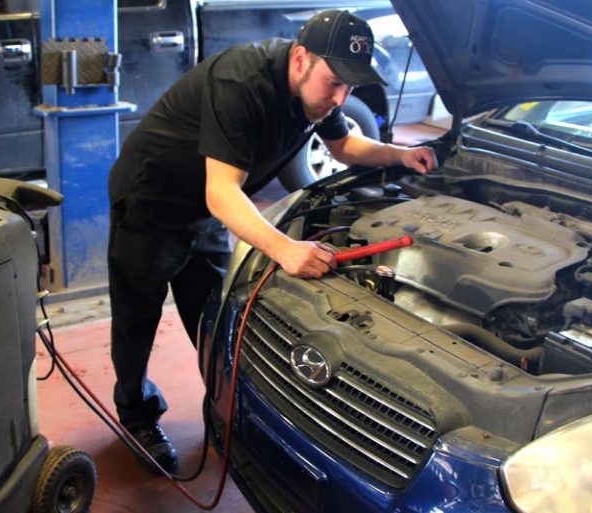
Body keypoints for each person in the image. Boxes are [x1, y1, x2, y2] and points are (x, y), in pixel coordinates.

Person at [107, 9, 437, 472]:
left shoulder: (320, 93)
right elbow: (222, 191)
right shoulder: (241, 83)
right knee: (136, 317)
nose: (339, 96)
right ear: (300, 59)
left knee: (213, 317)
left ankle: (228, 409)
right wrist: (286, 249)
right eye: (334, 82)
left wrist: (401, 155)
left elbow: (343, 148)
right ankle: (137, 415)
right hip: (150, 199)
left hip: (208, 210)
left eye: (350, 87)